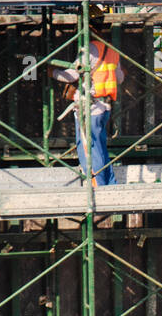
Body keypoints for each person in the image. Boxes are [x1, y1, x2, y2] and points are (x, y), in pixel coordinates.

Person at [50, 10, 124, 186]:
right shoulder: (111, 49)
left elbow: (71, 76)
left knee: (90, 151)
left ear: (87, 26)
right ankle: (110, 185)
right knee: (100, 150)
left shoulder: (90, 48)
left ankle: (98, 189)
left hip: (90, 109)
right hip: (104, 107)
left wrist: (51, 72)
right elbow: (120, 78)